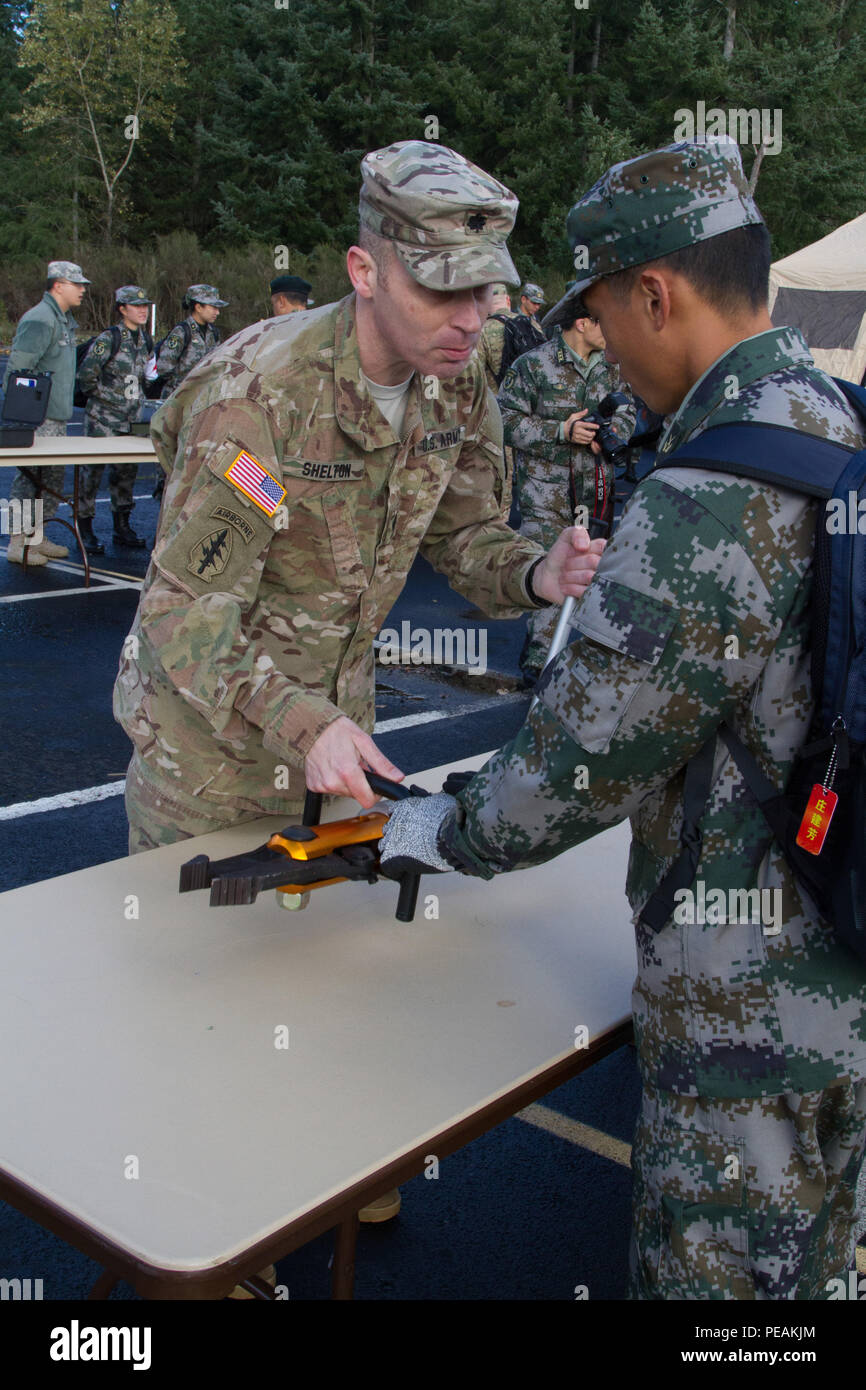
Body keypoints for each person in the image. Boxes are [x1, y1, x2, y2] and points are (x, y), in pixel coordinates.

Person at [378, 137, 866, 1300]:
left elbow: (578, 757)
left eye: (600, 305)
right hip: (843, 934)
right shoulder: (838, 423)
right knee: (814, 1270)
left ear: (655, 293)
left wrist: (443, 828)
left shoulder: (707, 495)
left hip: (747, 994)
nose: (600, 340)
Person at [113, 140, 605, 1227]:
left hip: (336, 738)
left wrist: (534, 570)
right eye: (443, 288)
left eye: (486, 291)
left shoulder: (459, 372)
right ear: (363, 269)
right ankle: (203, 1243)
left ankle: (311, 1183)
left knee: (322, 984)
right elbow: (181, 615)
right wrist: (297, 719)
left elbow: (468, 531)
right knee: (195, 1023)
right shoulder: (260, 395)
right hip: (212, 749)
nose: (473, 317)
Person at [498, 304, 634, 682]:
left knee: (593, 572)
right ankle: (541, 661)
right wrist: (561, 432)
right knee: (550, 569)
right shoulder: (533, 364)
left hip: (596, 493)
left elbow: (628, 408)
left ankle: (589, 655)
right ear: (583, 322)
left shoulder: (612, 366)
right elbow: (504, 420)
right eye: (604, 322)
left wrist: (613, 435)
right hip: (546, 495)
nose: (611, 331)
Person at [3, 260, 89, 568]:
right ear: (58, 285)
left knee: (51, 476)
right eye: (76, 284)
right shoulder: (40, 319)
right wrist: (20, 417)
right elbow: (18, 371)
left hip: (57, 416)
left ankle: (37, 536)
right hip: (36, 418)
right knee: (29, 478)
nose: (82, 290)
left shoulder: (64, 320)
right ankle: (17, 540)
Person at [76, 285, 154, 553]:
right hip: (103, 419)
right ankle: (84, 529)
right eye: (136, 306)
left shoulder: (145, 340)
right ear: (122, 309)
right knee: (91, 474)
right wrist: (108, 399)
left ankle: (122, 527)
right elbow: (86, 377)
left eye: (145, 306)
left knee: (126, 474)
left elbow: (145, 377)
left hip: (131, 421)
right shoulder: (109, 339)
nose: (142, 310)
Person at [154, 285, 227, 399]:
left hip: (202, 398)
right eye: (213, 307)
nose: (217, 312)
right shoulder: (182, 332)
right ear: (198, 307)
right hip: (177, 399)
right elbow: (164, 368)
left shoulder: (213, 333)